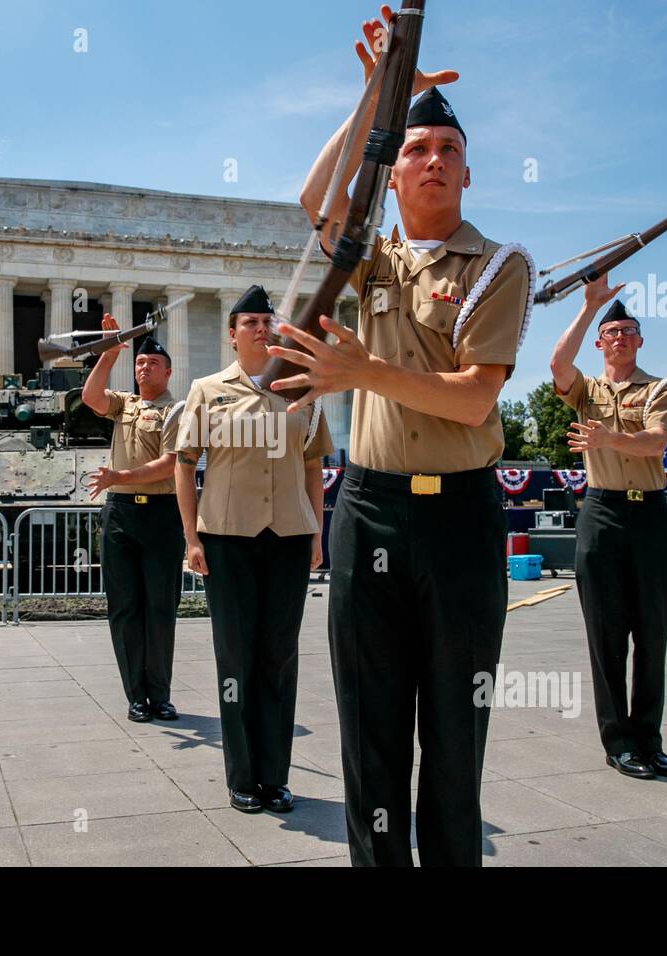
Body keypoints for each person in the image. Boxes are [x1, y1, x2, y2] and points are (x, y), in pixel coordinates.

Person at [275, 8, 531, 865]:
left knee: (456, 732)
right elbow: (316, 199)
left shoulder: (499, 265)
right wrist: (375, 96)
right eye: (415, 150)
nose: (431, 161)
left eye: (447, 152)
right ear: (394, 175)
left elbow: (472, 402)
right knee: (370, 728)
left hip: (458, 518)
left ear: (467, 173)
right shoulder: (372, 259)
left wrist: (364, 373)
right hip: (372, 509)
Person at [175, 284, 330, 814]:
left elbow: (314, 465)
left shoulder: (302, 387)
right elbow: (183, 463)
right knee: (236, 658)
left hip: (287, 536)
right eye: (250, 323)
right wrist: (192, 537)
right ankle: (242, 776)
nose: (261, 329)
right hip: (228, 538)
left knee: (280, 659)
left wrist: (316, 531)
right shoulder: (207, 389)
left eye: (268, 321)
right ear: (232, 333)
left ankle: (274, 776)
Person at [550, 282, 667, 781]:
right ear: (600, 343)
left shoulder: (660, 387)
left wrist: (609, 437)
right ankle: (619, 742)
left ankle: (650, 740)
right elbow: (558, 366)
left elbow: (655, 443)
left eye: (629, 331)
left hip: (648, 514)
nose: (621, 338)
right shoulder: (588, 391)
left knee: (653, 633)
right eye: (612, 333)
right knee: (606, 635)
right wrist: (588, 309)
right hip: (602, 512)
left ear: (640, 342)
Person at [81, 318, 185, 723]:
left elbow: (169, 464)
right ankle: (136, 695)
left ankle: (160, 694)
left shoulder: (176, 410)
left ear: (168, 371)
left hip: (159, 514)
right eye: (140, 363)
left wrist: (118, 477)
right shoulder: (125, 403)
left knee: (161, 608)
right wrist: (110, 352)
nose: (144, 368)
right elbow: (91, 397)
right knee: (124, 607)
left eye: (153, 363)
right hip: (121, 515)